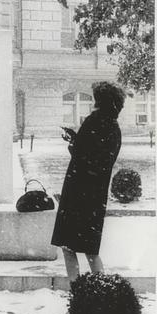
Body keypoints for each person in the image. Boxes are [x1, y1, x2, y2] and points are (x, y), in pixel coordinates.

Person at [51, 81, 127, 283]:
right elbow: (100, 158)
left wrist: (74, 143)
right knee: (91, 250)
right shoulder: (114, 127)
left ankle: (77, 293)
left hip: (77, 191)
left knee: (68, 247)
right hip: (96, 194)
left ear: (100, 101)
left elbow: (82, 155)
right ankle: (100, 292)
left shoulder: (94, 121)